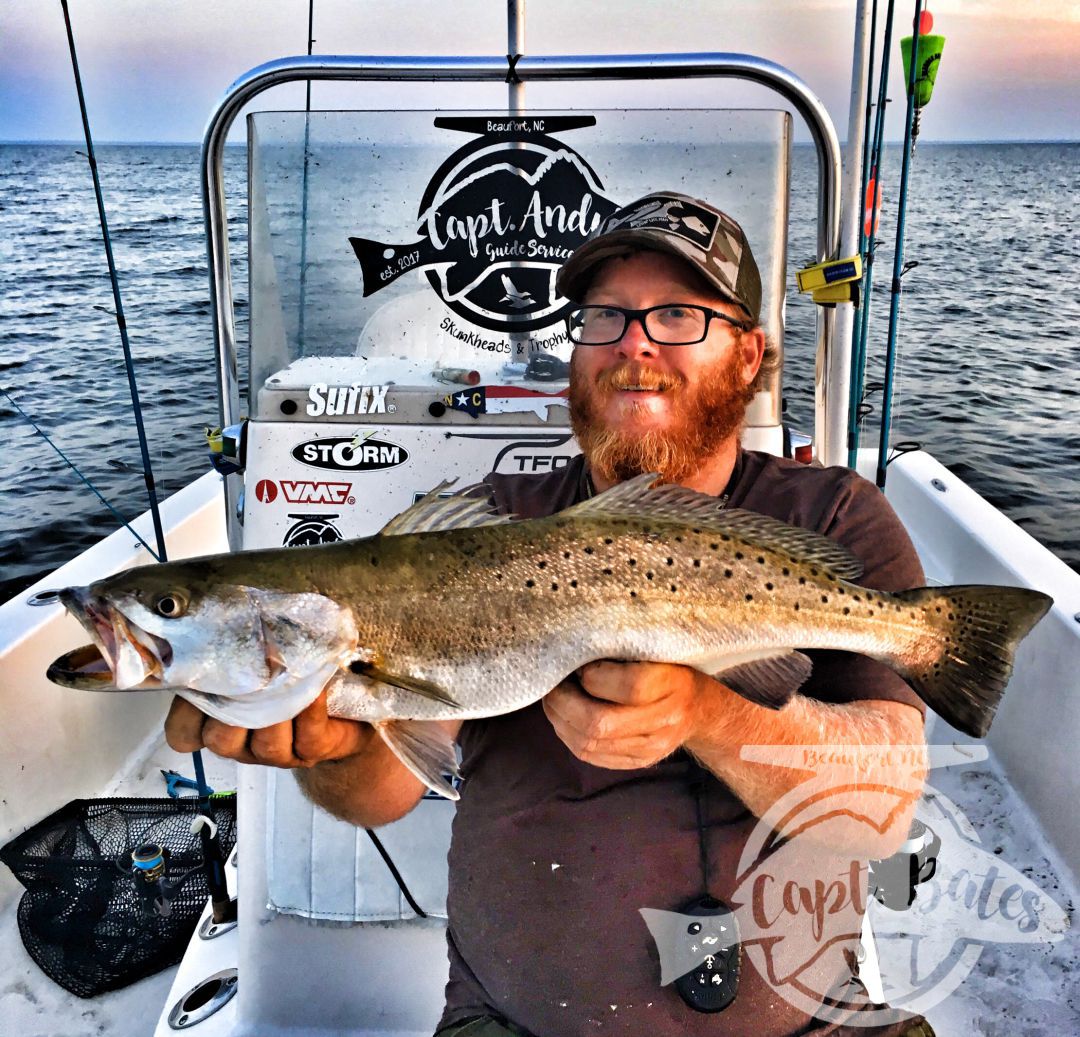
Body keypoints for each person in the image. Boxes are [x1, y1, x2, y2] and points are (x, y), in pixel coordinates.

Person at [166, 191, 933, 1037]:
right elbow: (378, 791)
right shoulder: (491, 523)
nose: (634, 342)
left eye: (677, 314)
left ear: (749, 354)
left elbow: (885, 802)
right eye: (605, 317)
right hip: (516, 1021)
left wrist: (706, 713)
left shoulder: (833, 517)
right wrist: (334, 743)